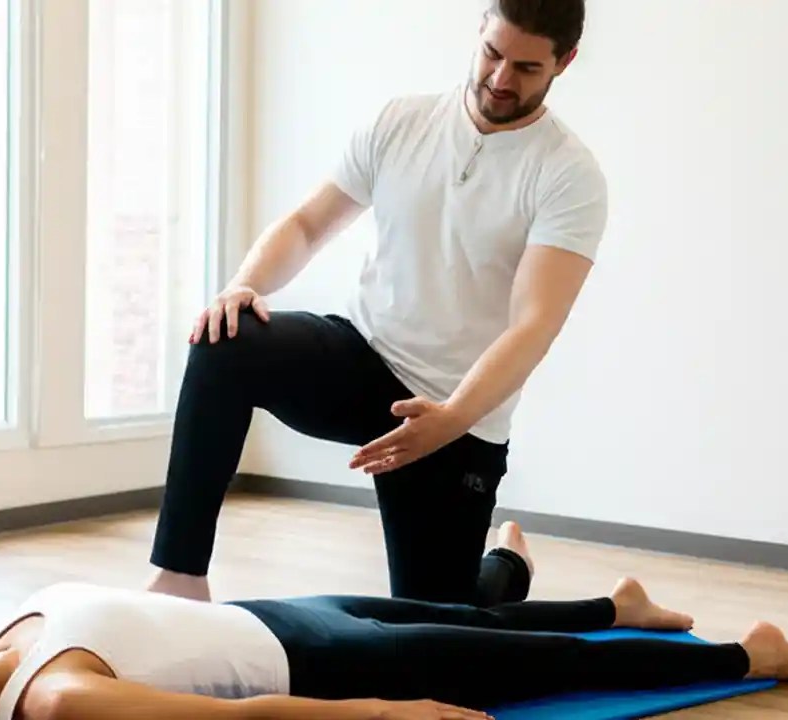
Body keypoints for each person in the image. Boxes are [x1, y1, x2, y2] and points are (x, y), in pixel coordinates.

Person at [147, 0, 611, 605]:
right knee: (226, 338)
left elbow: (534, 322)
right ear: (480, 30)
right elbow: (309, 225)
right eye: (493, 54)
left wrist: (452, 417)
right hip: (363, 357)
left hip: (453, 412)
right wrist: (246, 285)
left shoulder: (568, 174)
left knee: (433, 630)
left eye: (525, 68)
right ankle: (179, 579)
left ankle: (505, 567)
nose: (500, 80)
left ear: (564, 62)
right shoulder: (403, 122)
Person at [0, 530, 788, 720]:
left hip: (274, 613)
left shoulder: (2, 639)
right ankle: (751, 653)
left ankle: (620, 607)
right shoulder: (54, 698)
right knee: (528, 660)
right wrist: (390, 717)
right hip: (322, 661)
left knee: (453, 606)